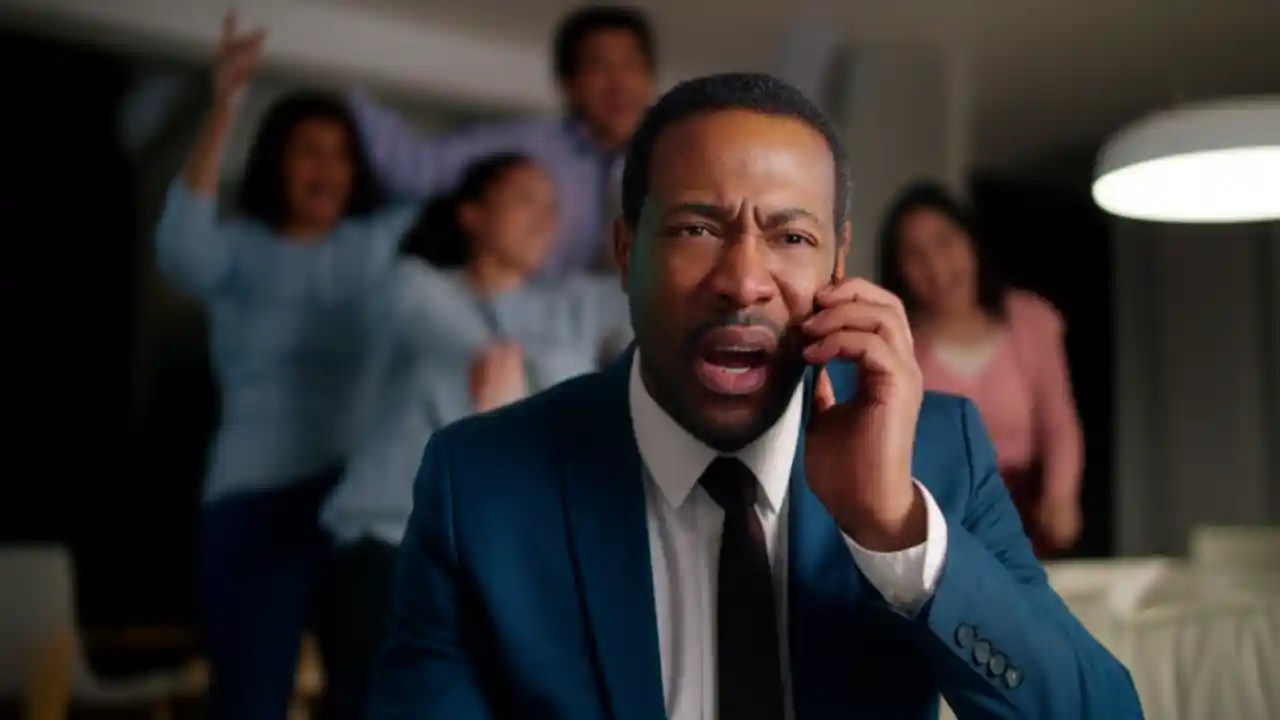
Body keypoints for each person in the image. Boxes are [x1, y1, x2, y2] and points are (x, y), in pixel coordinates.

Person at [369, 74, 1140, 719]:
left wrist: (894, 529)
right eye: (697, 230)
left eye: (791, 238)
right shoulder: (478, 480)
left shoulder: (941, 453)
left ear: (839, 264)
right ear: (625, 250)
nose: (743, 280)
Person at [152, 13, 414, 719]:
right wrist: (225, 104)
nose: (325, 168)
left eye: (339, 154)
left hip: (358, 511)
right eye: (307, 151)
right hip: (254, 501)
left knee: (369, 700)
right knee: (250, 701)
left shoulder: (377, 246)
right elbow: (179, 244)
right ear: (275, 162)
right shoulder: (238, 248)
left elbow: (463, 203)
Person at [316, 153, 629, 718]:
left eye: (552, 206)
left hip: (495, 562)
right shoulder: (414, 287)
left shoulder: (573, 308)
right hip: (387, 543)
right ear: (472, 215)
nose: (544, 216)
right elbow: (483, 354)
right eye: (524, 199)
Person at [346, 5, 656, 276]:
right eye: (599, 65)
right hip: (506, 328)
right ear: (567, 85)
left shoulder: (667, 163)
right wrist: (341, 96)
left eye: (632, 65)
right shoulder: (522, 143)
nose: (620, 83)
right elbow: (417, 169)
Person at [876, 183, 1084, 555]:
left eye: (943, 242)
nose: (935, 267)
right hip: (938, 527)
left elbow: (1059, 424)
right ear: (898, 270)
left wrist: (1061, 497)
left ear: (970, 242)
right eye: (914, 254)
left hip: (1026, 520)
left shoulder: (1029, 320)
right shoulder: (895, 342)